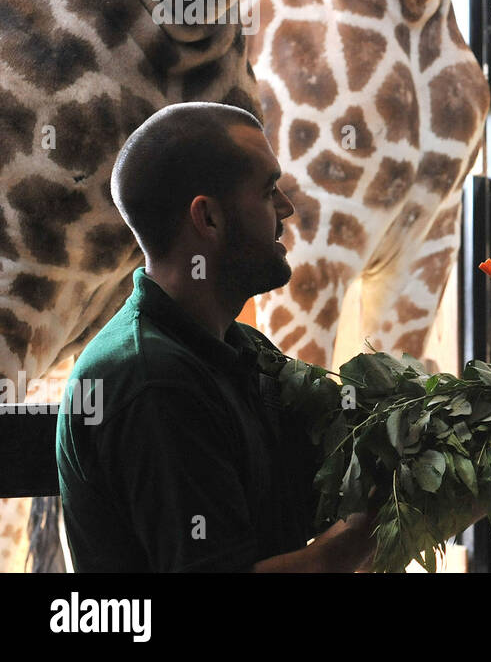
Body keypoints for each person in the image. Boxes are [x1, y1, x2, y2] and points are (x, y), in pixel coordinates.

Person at [56, 102, 377, 572]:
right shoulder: (151, 383)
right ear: (207, 219)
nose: (287, 208)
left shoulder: (240, 348)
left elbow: (318, 492)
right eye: (269, 191)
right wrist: (370, 527)